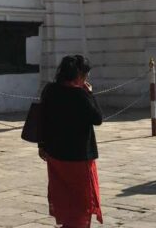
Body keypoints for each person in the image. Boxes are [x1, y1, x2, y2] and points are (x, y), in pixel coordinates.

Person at [38, 55, 103, 228]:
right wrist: (90, 94)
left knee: (63, 195)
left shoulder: (50, 90)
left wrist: (41, 145)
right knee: (82, 200)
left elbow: (42, 120)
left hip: (55, 154)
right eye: (85, 75)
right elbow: (97, 118)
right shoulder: (80, 95)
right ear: (79, 75)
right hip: (78, 157)